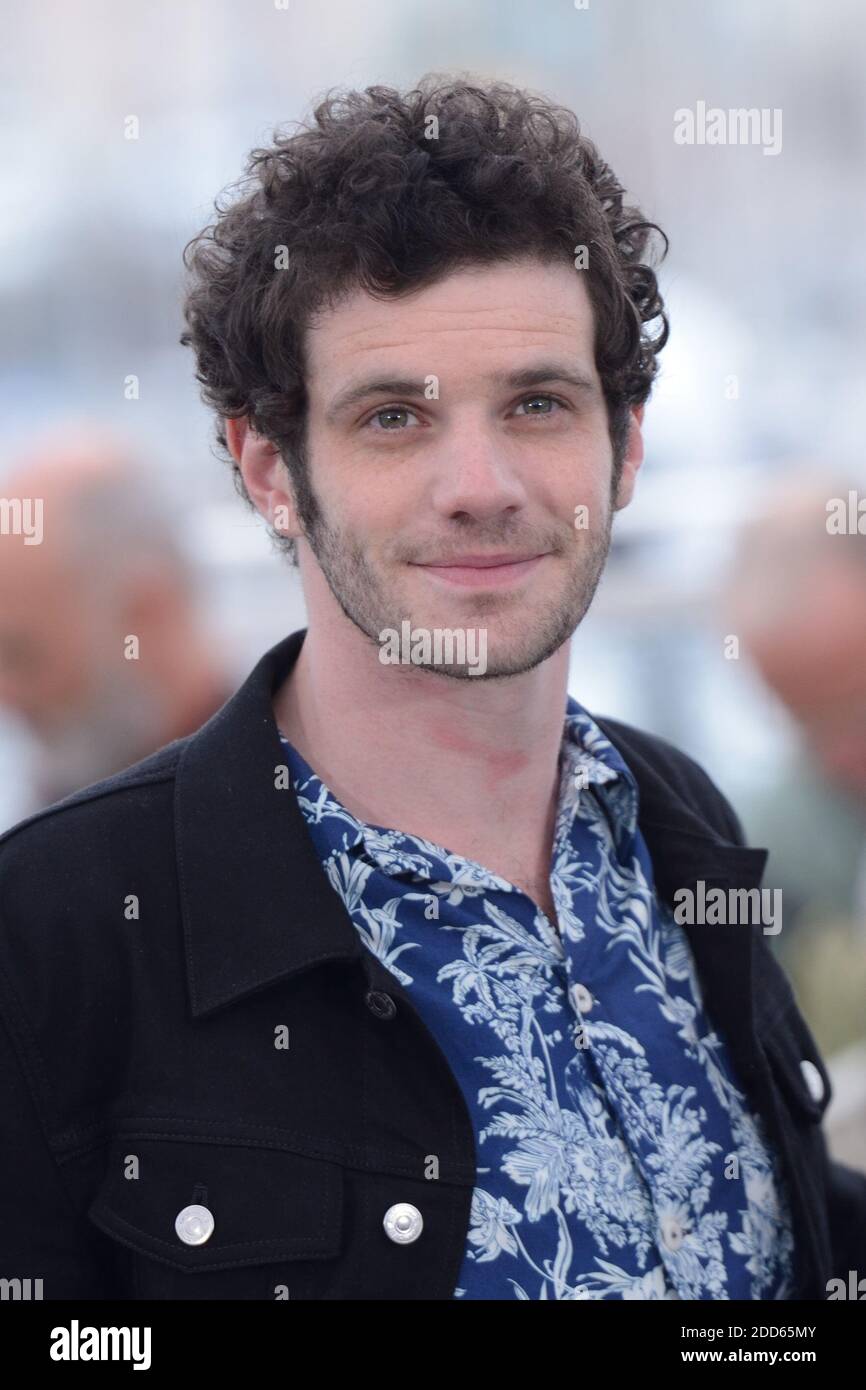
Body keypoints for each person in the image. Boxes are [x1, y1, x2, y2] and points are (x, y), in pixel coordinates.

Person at [0, 76, 863, 1302]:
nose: (480, 482)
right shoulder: (59, 937)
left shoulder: (675, 823)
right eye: (394, 416)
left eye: (536, 402)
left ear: (623, 448)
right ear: (268, 470)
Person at [0, 428, 231, 818]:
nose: (8, 697)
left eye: (23, 655)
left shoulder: (286, 819)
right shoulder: (44, 830)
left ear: (145, 613)